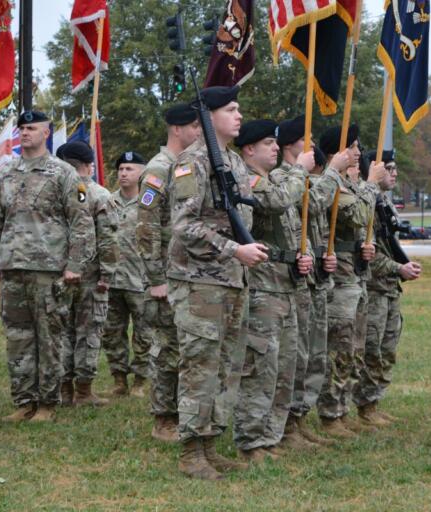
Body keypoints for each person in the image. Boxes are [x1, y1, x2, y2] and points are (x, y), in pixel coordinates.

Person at [167, 85, 268, 481]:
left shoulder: (231, 162)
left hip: (231, 280)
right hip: (200, 282)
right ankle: (191, 452)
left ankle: (210, 443)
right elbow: (183, 226)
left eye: (239, 108)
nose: (238, 116)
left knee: (226, 366)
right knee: (200, 366)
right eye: (231, 109)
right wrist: (233, 250)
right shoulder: (192, 162)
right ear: (209, 118)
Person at [0, 111, 95, 422]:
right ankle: (24, 400)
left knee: (49, 335)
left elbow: (81, 222)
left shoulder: (63, 174)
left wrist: (75, 264)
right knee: (18, 336)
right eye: (21, 128)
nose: (24, 133)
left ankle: (47, 403)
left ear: (46, 133)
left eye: (31, 128)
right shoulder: (6, 174)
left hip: (49, 268)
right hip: (13, 267)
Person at [231, 119, 313, 459]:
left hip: (285, 286)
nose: (276, 148)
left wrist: (300, 257)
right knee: (260, 368)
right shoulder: (249, 181)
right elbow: (279, 201)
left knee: (284, 367)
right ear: (249, 149)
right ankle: (251, 440)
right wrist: (300, 170)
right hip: (263, 288)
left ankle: (271, 435)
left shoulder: (270, 178)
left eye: (276, 143)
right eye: (268, 143)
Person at [276, 115, 347, 447]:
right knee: (299, 353)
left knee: (314, 354)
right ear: (291, 145)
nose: (312, 146)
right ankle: (288, 423)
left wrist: (324, 257)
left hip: (314, 278)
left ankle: (300, 418)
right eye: (306, 140)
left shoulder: (301, 178)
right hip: (291, 282)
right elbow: (313, 201)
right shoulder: (282, 177)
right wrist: (334, 169)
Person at [137, 103, 202, 442]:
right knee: (167, 346)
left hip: (185, 271)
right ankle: (164, 418)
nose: (197, 132)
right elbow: (146, 226)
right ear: (177, 129)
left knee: (183, 344)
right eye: (193, 126)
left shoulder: (185, 167)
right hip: (165, 275)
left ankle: (179, 411)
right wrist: (156, 279)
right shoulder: (158, 169)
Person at [315, 124, 384, 437]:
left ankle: (342, 408)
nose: (359, 153)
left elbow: (363, 224)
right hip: (339, 276)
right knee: (339, 345)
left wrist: (364, 246)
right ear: (335, 153)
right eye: (352, 147)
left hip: (354, 271)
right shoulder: (331, 185)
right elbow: (357, 215)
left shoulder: (348, 185)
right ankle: (330, 412)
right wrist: (371, 185)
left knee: (353, 346)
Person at [352, 150, 421, 424]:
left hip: (390, 288)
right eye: (388, 168)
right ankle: (364, 405)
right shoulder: (365, 202)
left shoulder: (384, 202)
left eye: (395, 169)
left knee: (387, 348)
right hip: (374, 287)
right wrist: (398, 268)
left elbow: (389, 245)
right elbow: (367, 252)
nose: (393, 173)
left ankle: (375, 400)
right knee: (372, 348)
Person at [55, 141, 118, 407]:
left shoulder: (57, 192)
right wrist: (108, 274)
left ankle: (65, 389)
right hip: (91, 276)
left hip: (61, 274)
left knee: (63, 332)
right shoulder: (98, 194)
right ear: (88, 164)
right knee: (88, 332)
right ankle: (83, 391)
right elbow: (107, 239)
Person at [101, 152, 155, 398]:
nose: (123, 173)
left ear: (142, 173)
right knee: (112, 332)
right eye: (121, 169)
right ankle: (119, 378)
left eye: (130, 169)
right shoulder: (107, 201)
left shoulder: (150, 201)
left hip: (141, 281)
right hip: (112, 281)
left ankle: (141, 380)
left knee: (144, 333)